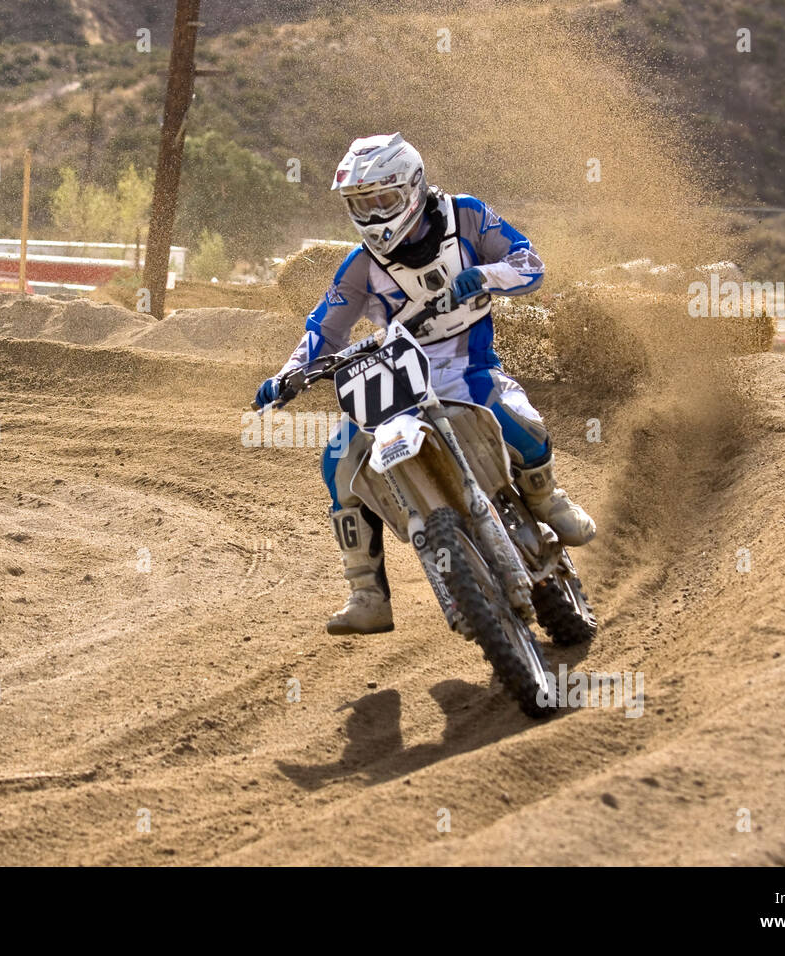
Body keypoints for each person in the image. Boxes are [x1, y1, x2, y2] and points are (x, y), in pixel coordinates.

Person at [255, 133, 595, 635]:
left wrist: (484, 276)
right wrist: (287, 376)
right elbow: (323, 331)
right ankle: (367, 592)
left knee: (515, 416)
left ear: (413, 188)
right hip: (397, 384)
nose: (373, 215)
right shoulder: (361, 267)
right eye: (360, 204)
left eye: (383, 200)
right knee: (337, 464)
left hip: (468, 368)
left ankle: (547, 500)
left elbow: (530, 263)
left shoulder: (468, 217)